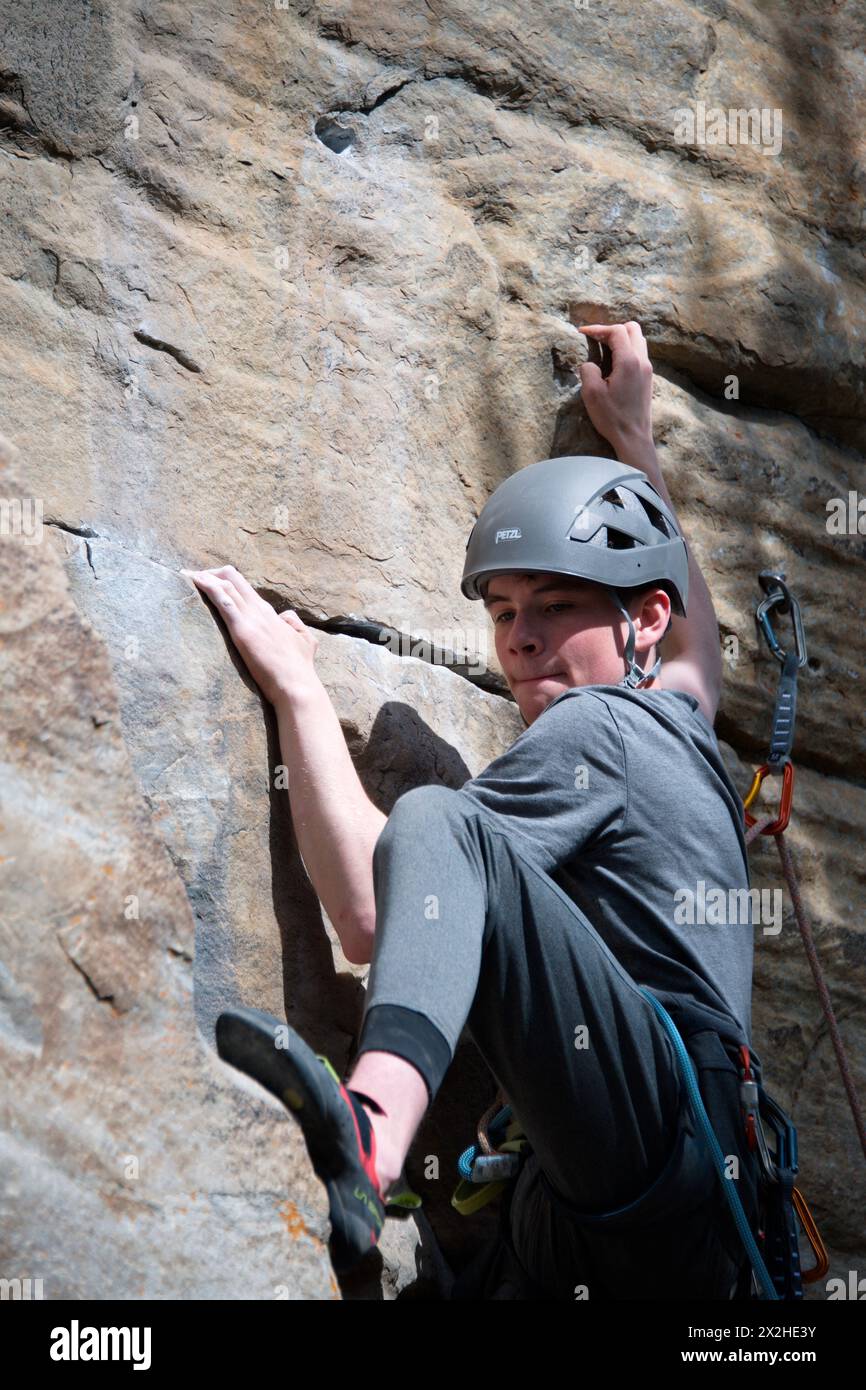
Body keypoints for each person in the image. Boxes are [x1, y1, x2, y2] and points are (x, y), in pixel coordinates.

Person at [184, 321, 761, 1296]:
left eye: (554, 606)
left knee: (440, 822)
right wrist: (633, 440)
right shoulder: (678, 724)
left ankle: (368, 1128)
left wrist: (298, 696)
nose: (521, 641)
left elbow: (374, 912)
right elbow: (693, 644)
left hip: (649, 1134)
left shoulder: (599, 730)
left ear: (641, 614)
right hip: (632, 1210)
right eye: (500, 613)